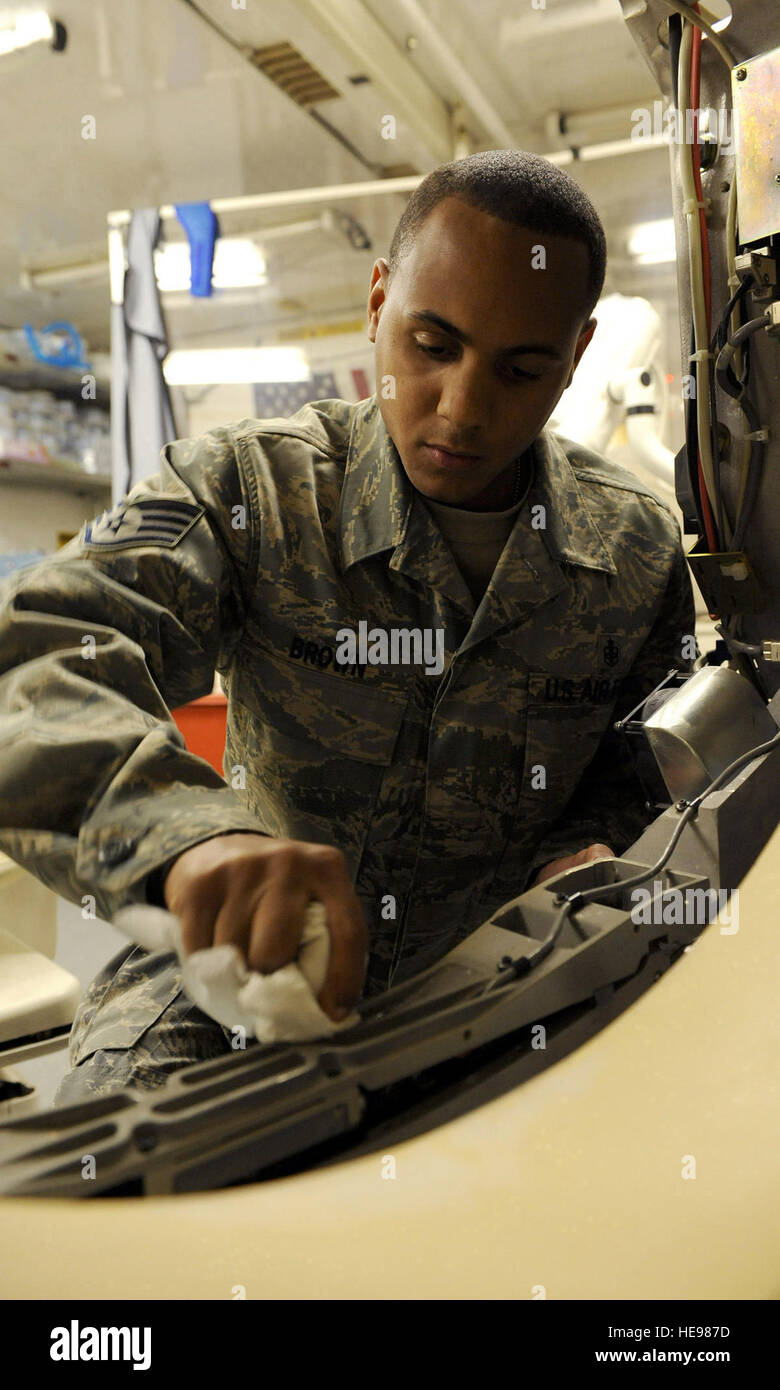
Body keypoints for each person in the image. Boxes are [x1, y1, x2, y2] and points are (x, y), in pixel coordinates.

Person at [0, 150, 695, 1104]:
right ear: (378, 302)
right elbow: (35, 651)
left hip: (498, 994)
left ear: (576, 358)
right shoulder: (253, 490)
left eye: (522, 369)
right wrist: (188, 840)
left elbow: (648, 765)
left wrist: (592, 851)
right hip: (243, 982)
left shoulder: (637, 550)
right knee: (121, 1189)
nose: (461, 408)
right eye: (432, 344)